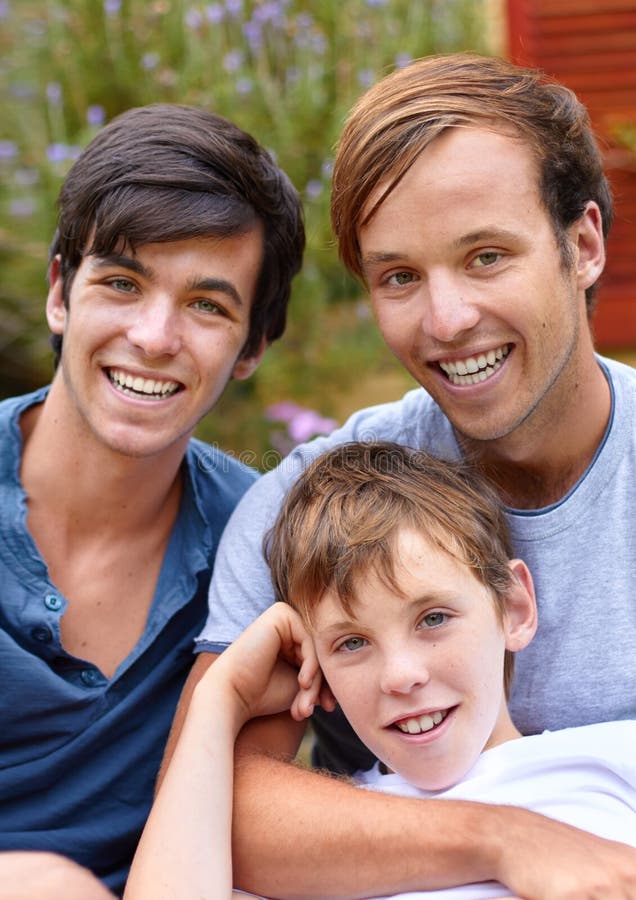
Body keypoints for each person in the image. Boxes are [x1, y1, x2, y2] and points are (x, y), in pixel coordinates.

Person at [162, 53, 636, 899]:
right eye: (400, 277)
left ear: (583, 245)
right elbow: (216, 810)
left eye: (486, 256)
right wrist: (504, 838)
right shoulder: (312, 506)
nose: (446, 321)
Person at [0, 103, 304, 898]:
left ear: (252, 347)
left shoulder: (262, 546)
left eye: (207, 305)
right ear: (60, 292)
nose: (155, 336)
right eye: (122, 283)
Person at [265, 441, 636, 899]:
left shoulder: (612, 761)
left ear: (514, 608)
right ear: (313, 667)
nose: (401, 675)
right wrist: (220, 697)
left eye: (434, 618)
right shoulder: (314, 841)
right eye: (352, 643)